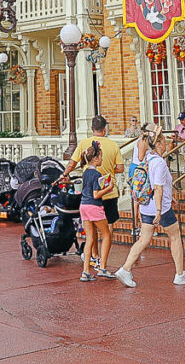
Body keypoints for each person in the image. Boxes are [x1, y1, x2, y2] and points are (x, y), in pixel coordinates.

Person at [115, 124, 185, 287]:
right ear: (158, 144)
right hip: (160, 208)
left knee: (144, 239)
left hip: (146, 206)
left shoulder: (147, 158)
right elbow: (157, 187)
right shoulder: (159, 163)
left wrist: (169, 196)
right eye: (163, 141)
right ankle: (180, 274)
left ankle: (125, 269)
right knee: (175, 236)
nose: (166, 144)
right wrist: (159, 210)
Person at [62, 115, 124, 270]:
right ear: (105, 129)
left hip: (90, 195)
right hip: (109, 193)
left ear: (92, 129)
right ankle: (103, 261)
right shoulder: (113, 145)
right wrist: (109, 170)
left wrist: (65, 174)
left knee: (92, 228)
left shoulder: (84, 143)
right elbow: (120, 168)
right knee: (108, 227)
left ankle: (95, 258)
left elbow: (72, 162)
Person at [76, 141, 112, 281]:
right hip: (94, 206)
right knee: (106, 234)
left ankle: (85, 271)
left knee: (90, 238)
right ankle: (102, 267)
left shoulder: (85, 172)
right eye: (101, 157)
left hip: (83, 206)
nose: (102, 159)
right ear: (95, 158)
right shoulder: (96, 174)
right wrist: (109, 188)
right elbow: (96, 194)